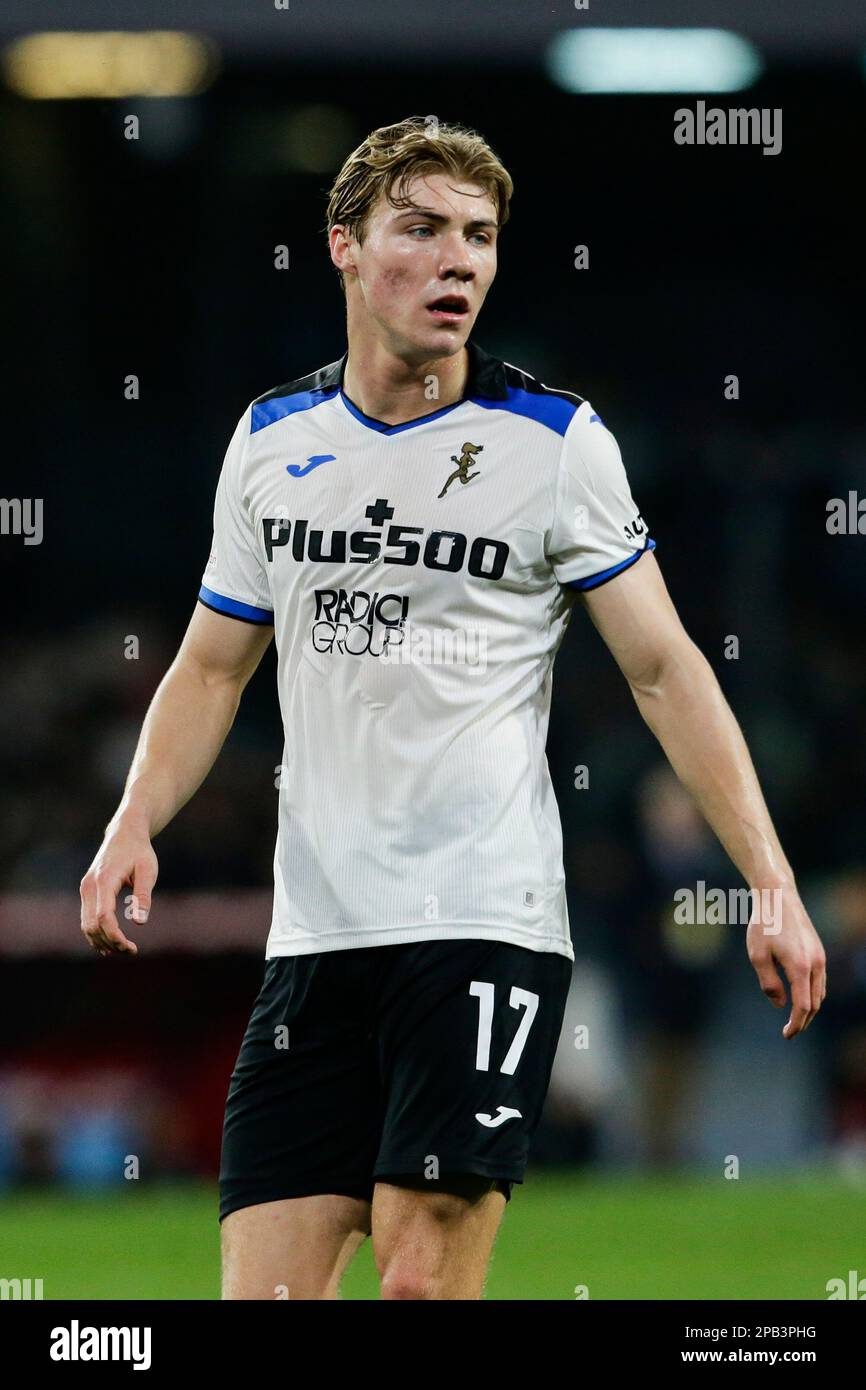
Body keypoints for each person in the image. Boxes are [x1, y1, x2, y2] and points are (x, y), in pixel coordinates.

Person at [79, 115, 826, 1300]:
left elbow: (665, 670)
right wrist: (133, 821)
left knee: (422, 1285)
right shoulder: (272, 440)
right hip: (315, 938)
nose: (456, 260)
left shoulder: (553, 443)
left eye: (476, 236)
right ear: (343, 248)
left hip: (481, 921)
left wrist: (768, 881)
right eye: (419, 230)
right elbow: (213, 666)